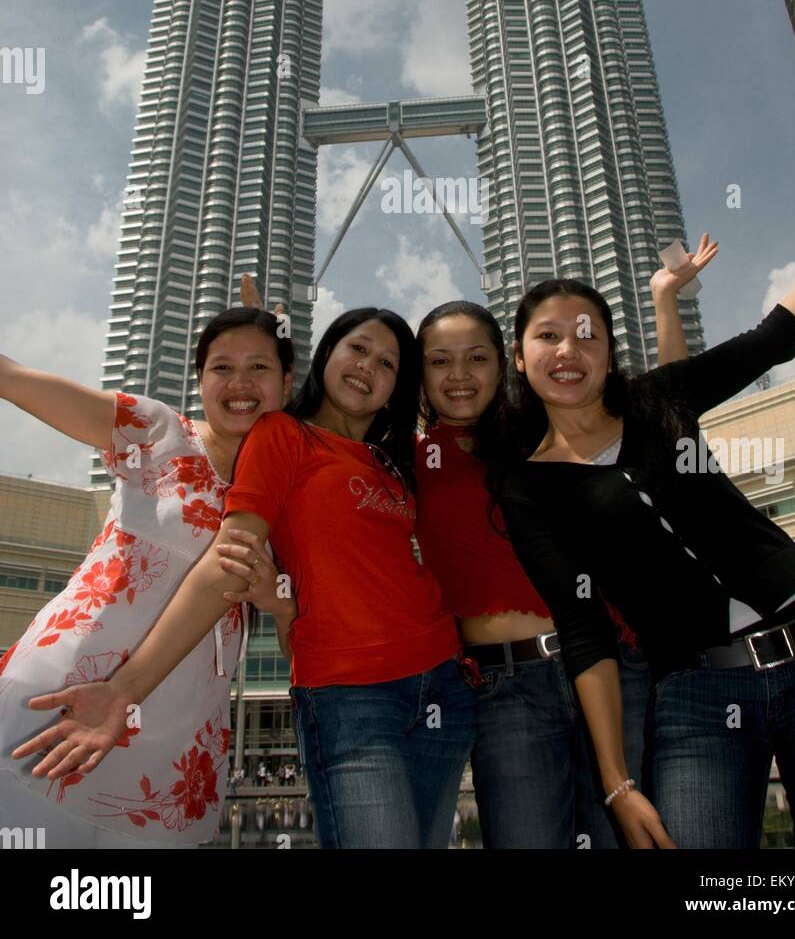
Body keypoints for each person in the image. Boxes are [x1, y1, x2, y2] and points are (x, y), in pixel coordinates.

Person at [12, 308, 476, 850]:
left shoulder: (378, 466)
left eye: (387, 362)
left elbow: (298, 612)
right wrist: (123, 690)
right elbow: (228, 561)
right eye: (356, 349)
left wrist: (277, 598)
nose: (367, 366)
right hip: (88, 674)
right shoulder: (218, 434)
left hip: (417, 681)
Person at [493, 207, 795, 849]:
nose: (568, 350)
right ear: (520, 358)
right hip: (697, 693)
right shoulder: (526, 487)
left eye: (587, 334)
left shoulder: (657, 402)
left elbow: (773, 339)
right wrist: (617, 783)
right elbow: (584, 629)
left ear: (610, 353)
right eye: (547, 336)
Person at [413, 235, 717, 849]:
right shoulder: (407, 461)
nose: (460, 375)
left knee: (630, 838)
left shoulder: (542, 436)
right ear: (420, 375)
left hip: (614, 667)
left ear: (505, 365)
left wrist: (665, 302)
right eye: (440, 361)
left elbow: (668, 410)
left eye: (476, 358)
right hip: (504, 690)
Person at [2, 304, 294, 847]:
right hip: (69, 686)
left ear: (287, 382)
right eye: (221, 367)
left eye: (260, 367)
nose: (240, 383)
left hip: (180, 730)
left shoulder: (290, 492)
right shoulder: (156, 431)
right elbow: (14, 380)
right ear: (200, 379)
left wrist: (276, 596)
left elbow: (296, 630)